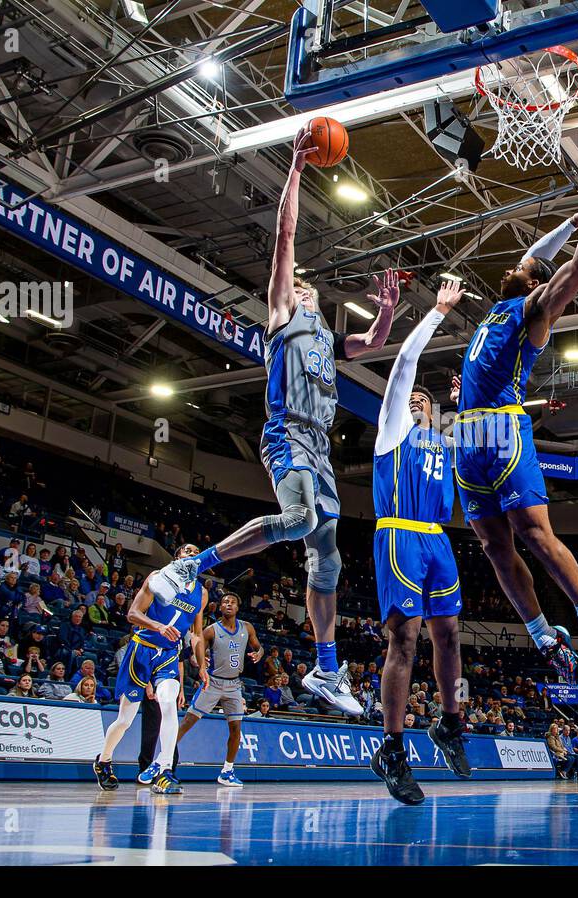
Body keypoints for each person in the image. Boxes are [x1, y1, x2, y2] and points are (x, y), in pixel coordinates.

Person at [143, 132, 397, 721]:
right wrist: (296, 166)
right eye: (301, 285)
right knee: (300, 517)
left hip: (321, 449)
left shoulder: (329, 341)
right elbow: (284, 235)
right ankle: (193, 564)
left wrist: (386, 311)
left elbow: (375, 342)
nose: (306, 289)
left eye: (310, 288)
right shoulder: (283, 315)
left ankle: (327, 668)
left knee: (328, 558)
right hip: (286, 432)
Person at [452, 160, 578, 690]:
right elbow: (538, 254)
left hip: (502, 432)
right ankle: (545, 636)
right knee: (494, 548)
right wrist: (569, 223)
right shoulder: (505, 301)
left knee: (533, 534)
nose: (518, 263)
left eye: (526, 268)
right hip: (468, 437)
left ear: (535, 285)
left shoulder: (534, 307)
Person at [368, 281, 470, 804]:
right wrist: (436, 314)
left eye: (421, 402)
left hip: (438, 540)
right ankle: (391, 746)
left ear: (432, 412)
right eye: (408, 400)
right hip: (399, 536)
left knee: (449, 635)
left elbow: (478, 429)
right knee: (404, 639)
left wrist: (465, 396)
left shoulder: (445, 440)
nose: (412, 402)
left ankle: (449, 724)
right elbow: (405, 364)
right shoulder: (392, 429)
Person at [93, 543, 205, 795]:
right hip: (141, 649)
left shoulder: (201, 591)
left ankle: (165, 771)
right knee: (125, 720)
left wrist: (202, 665)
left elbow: (197, 634)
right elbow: (133, 614)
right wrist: (157, 626)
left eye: (197, 551)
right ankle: (104, 760)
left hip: (168, 654)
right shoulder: (157, 578)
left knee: (168, 705)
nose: (193, 553)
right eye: (188, 550)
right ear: (177, 557)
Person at [177, 592, 260, 787]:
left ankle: (227, 771)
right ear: (220, 608)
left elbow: (259, 647)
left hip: (234, 685)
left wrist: (258, 653)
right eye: (225, 602)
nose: (228, 604)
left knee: (235, 728)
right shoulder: (210, 630)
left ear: (238, 608)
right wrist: (201, 664)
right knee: (188, 721)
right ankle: (163, 762)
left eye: (232, 602)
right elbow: (196, 654)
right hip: (213, 682)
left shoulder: (247, 628)